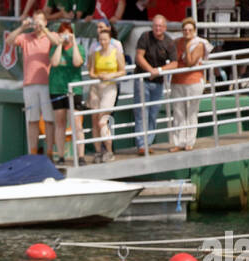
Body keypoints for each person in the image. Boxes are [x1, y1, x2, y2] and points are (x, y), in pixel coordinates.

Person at [7, 12, 63, 156]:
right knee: (32, 120)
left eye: (39, 21)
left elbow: (57, 42)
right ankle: (33, 152)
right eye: (35, 22)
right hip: (30, 84)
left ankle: (49, 152)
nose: (36, 25)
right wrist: (22, 28)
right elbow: (9, 41)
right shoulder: (26, 37)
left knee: (49, 120)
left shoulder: (50, 35)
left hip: (47, 84)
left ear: (45, 21)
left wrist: (44, 29)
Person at [133, 14, 178, 152]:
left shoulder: (169, 42)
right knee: (141, 112)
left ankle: (148, 143)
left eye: (160, 26)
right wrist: (150, 70)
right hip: (142, 79)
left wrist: (158, 71)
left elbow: (175, 63)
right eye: (155, 26)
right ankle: (141, 145)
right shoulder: (145, 37)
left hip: (158, 82)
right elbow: (139, 56)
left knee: (153, 113)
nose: (157, 28)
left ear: (164, 27)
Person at [49, 21, 87, 164]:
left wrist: (74, 42)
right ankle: (61, 156)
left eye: (67, 32)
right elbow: (54, 62)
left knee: (77, 124)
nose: (65, 36)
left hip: (74, 90)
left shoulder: (79, 48)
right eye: (62, 33)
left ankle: (81, 156)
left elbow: (78, 62)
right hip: (57, 88)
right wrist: (59, 44)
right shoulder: (54, 48)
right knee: (60, 123)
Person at [87, 23, 125, 163]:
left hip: (109, 87)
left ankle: (109, 150)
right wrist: (97, 76)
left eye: (105, 39)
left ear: (110, 39)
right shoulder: (95, 53)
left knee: (103, 120)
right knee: (95, 119)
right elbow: (90, 71)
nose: (103, 42)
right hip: (96, 87)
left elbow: (123, 70)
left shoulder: (116, 51)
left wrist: (110, 76)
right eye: (101, 40)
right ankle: (98, 151)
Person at [168, 18, 207, 152]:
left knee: (191, 112)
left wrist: (186, 47)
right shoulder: (176, 42)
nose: (187, 32)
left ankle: (189, 142)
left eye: (190, 30)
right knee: (178, 113)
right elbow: (171, 58)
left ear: (194, 31)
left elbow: (190, 62)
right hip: (177, 81)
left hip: (193, 81)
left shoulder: (199, 44)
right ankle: (179, 142)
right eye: (185, 30)